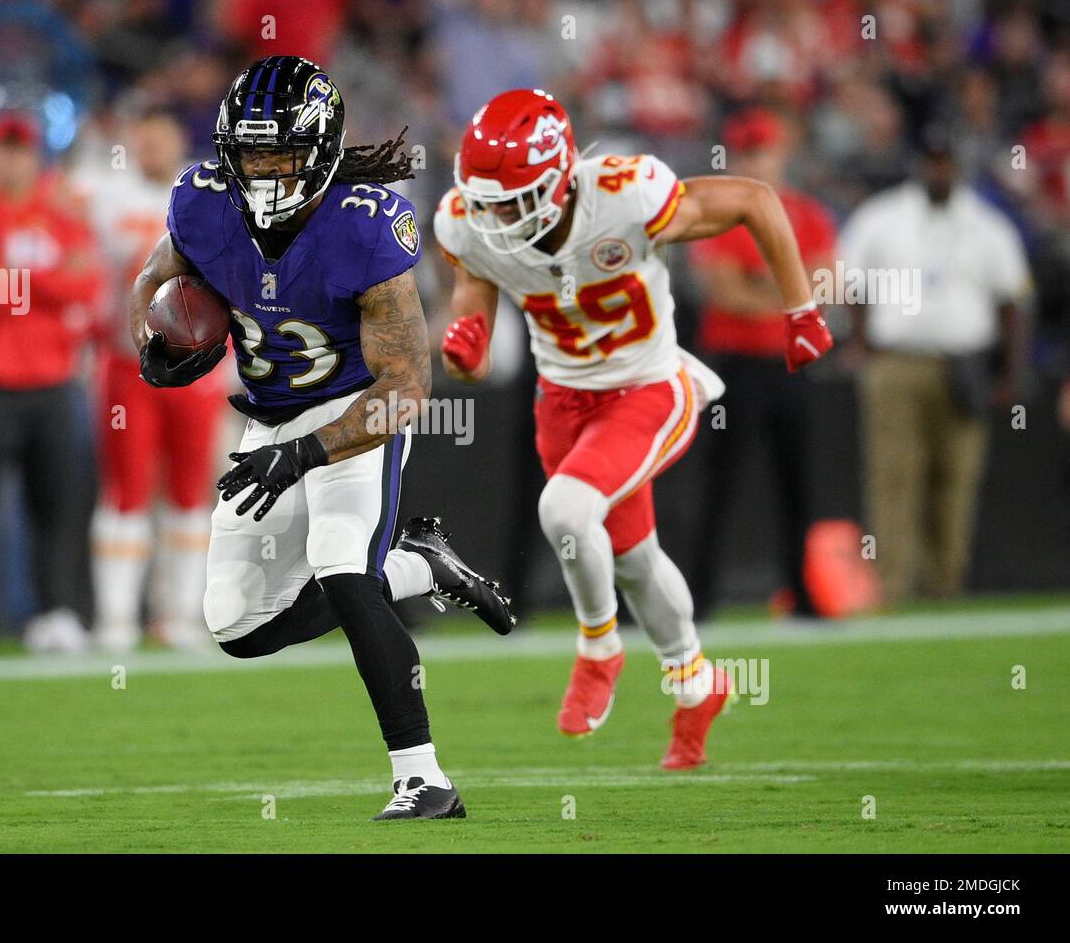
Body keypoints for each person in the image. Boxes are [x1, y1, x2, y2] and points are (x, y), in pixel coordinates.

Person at [130, 56, 515, 820]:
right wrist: (159, 346)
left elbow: (406, 386)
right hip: (266, 415)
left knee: (339, 566)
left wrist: (305, 452)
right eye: (252, 157)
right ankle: (418, 565)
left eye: (282, 158)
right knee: (237, 627)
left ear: (322, 155)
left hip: (352, 414)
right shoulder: (202, 202)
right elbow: (151, 284)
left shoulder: (365, 226)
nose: (265, 175)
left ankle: (423, 778)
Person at [435, 89, 832, 769]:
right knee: (637, 562)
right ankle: (697, 684)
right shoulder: (471, 221)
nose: (495, 215)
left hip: (648, 388)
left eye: (512, 198)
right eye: (486, 200)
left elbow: (755, 202)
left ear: (559, 179)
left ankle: (598, 647)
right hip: (562, 404)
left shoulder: (626, 194)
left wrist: (800, 308)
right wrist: (470, 329)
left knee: (564, 509)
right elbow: (480, 274)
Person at [841, 134, 1032, 606]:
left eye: (945, 163)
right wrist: (862, 347)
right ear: (918, 166)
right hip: (896, 364)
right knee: (893, 477)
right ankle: (895, 586)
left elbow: (1013, 303)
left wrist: (1009, 375)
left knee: (955, 479)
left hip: (963, 365)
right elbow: (850, 283)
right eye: (931, 163)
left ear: (958, 166)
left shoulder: (987, 225)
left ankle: (946, 587)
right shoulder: (881, 218)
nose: (938, 171)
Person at [81, 107, 230, 651]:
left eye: (161, 137)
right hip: (129, 366)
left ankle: (180, 615)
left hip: (199, 370)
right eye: (142, 138)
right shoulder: (104, 196)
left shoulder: (213, 197)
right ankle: (116, 618)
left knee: (192, 493)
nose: (151, 148)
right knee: (126, 492)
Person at [0, 112, 103, 652]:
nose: (12, 160)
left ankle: (58, 612)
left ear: (35, 155)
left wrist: (19, 282)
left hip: (54, 379)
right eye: (3, 149)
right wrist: (46, 281)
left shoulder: (61, 206)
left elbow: (86, 287)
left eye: (21, 150)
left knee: (61, 505)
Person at [686, 108, 838, 619]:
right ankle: (699, 597)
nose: (755, 160)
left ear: (782, 151)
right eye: (746, 151)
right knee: (717, 485)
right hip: (734, 364)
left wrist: (762, 285)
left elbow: (826, 285)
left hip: (788, 362)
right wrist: (788, 289)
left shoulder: (807, 212)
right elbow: (726, 292)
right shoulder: (715, 214)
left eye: (763, 150)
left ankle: (803, 593)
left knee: (798, 482)